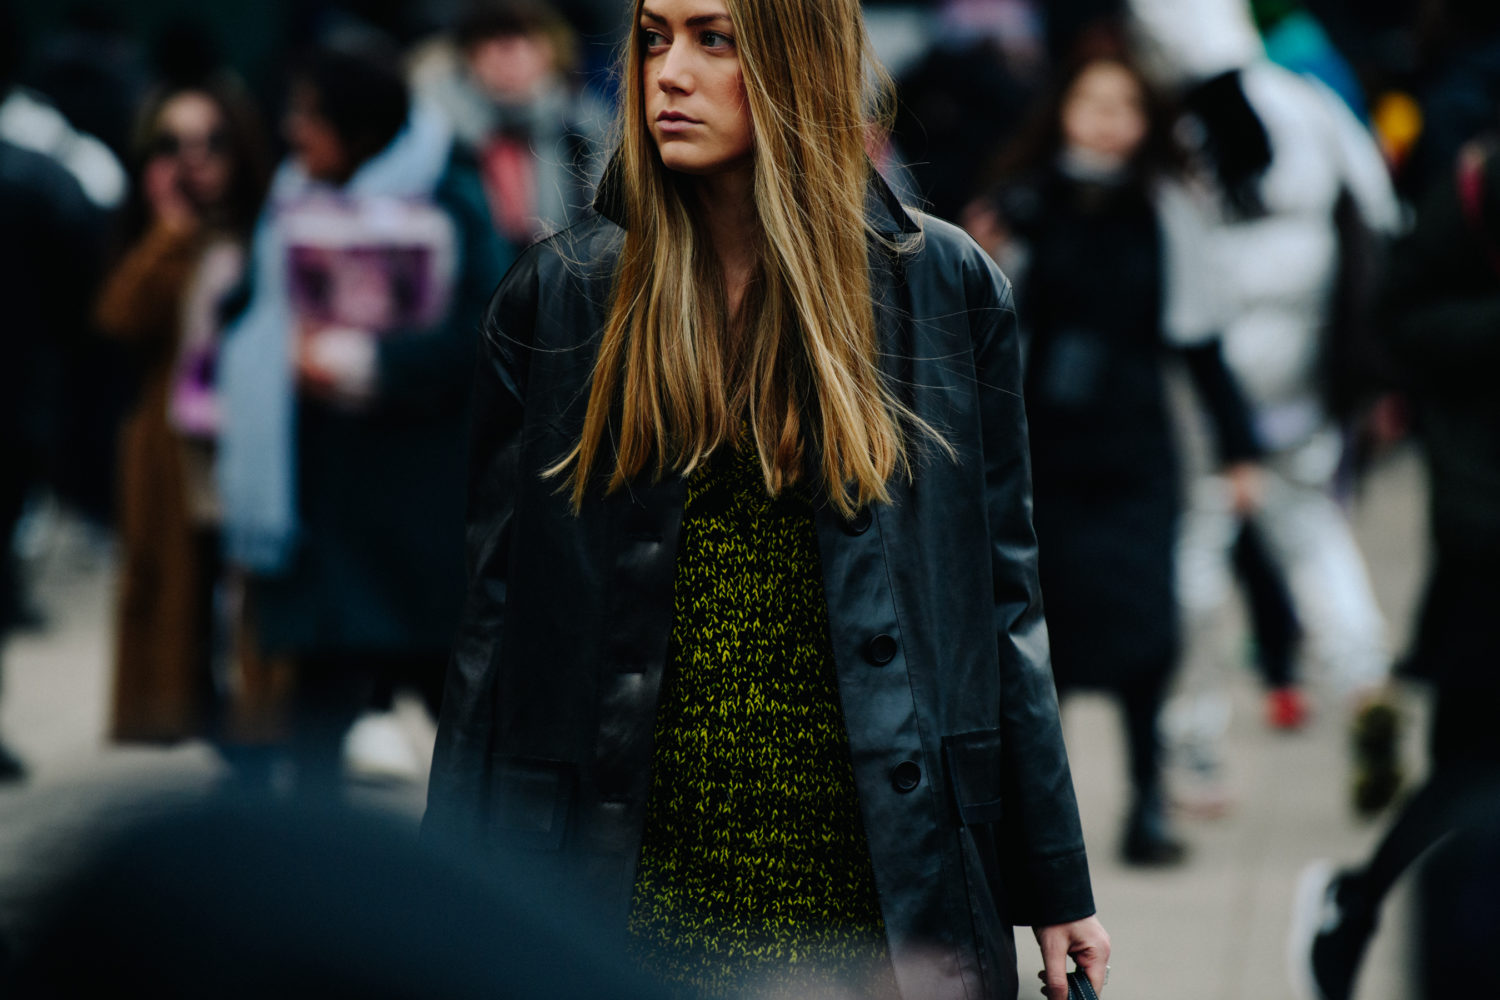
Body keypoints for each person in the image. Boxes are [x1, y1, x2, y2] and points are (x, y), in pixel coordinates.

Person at [424, 0, 1110, 997]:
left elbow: (1003, 605)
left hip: (879, 887)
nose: (667, 72)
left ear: (797, 60)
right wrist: (447, 892)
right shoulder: (562, 298)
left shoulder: (944, 288)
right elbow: (491, 628)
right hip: (638, 890)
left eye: (713, 38)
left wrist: (1054, 880)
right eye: (654, 38)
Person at [964, 33, 1262, 866]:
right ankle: (1032, 827)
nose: (1106, 122)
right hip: (1037, 453)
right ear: (1063, 109)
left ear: (1147, 119)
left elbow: (1202, 344)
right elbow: (971, 331)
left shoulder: (1169, 208)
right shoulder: (1018, 202)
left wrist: (1241, 453)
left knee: (1145, 637)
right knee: (1032, 644)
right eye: (1092, 103)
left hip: (1134, 451)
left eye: (1124, 106)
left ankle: (1148, 804)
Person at [217, 35, 513, 790]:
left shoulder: (449, 191)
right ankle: (312, 884)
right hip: (321, 498)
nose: (294, 130)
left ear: (361, 131)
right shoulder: (292, 193)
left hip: (419, 504)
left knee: (460, 715)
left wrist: (373, 362)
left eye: (312, 115)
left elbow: (490, 325)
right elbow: (249, 308)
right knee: (318, 710)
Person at [1129, 0, 1403, 810]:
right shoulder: (1310, 105)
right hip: (1304, 370)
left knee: (1201, 549)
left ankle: (1192, 737)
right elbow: (1380, 211)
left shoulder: (1177, 131)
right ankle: (1365, 678)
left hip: (1211, 384)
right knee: (1313, 528)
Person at [1286, 132, 1500, 1000]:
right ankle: (1358, 910)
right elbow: (1399, 321)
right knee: (1479, 761)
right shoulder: (1479, 179)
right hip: (1490, 527)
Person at [95, 79, 268, 744]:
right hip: (176, 444)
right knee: (180, 595)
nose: (194, 159)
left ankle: (257, 731)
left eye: (212, 142)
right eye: (172, 144)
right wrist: (168, 231)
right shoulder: (160, 237)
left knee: (252, 595)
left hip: (256, 440)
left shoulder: (271, 227)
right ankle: (193, 714)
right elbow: (118, 320)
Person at [413, 0, 610, 245]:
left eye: (524, 40)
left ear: (549, 52)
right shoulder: (436, 136)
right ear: (468, 57)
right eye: (493, 42)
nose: (510, 56)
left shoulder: (583, 129)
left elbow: (604, 227)